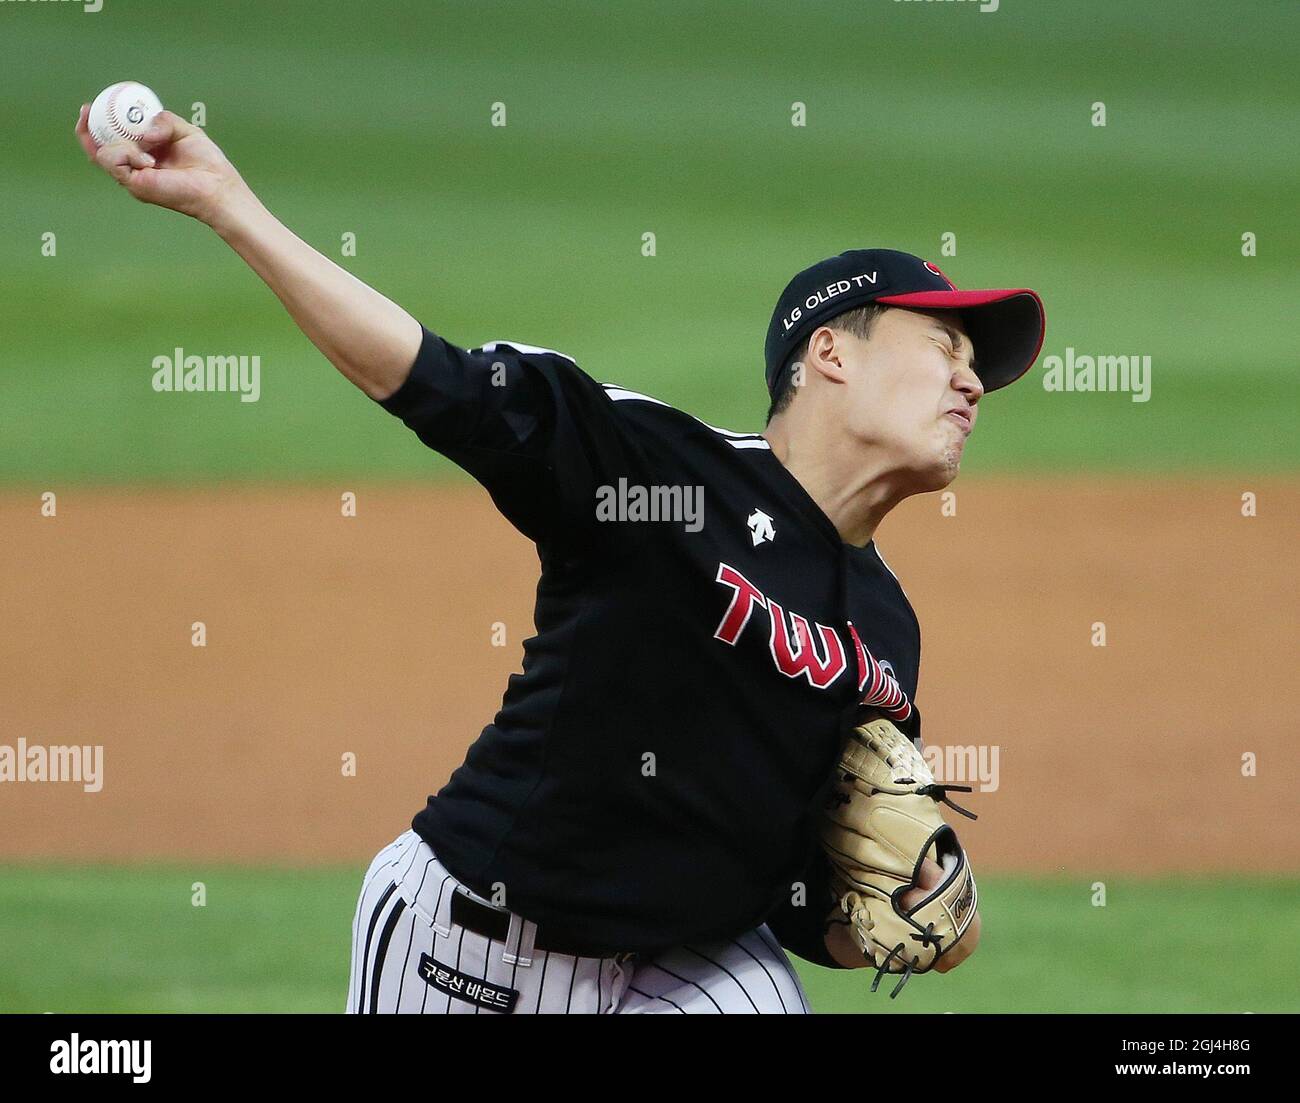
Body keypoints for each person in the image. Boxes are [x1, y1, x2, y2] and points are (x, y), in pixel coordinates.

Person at [76, 105, 1044, 1014]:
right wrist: (227, 206)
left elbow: (792, 888)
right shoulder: (659, 469)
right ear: (831, 353)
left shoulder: (885, 632)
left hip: (683, 963)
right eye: (945, 342)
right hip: (466, 945)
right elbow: (437, 382)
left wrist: (889, 913)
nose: (970, 381)